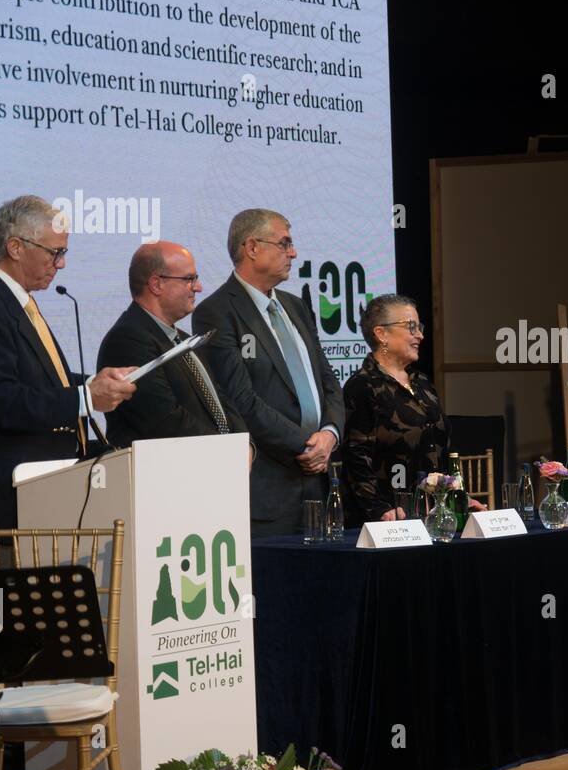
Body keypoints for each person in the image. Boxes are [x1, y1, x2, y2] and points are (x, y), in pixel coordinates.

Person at [0, 195, 136, 549]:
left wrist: (93, 383)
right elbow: (1, 401)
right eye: (54, 252)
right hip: (4, 507)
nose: (60, 264)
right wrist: (84, 398)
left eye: (63, 253)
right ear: (15, 247)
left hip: (39, 500)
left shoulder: (17, 300)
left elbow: (40, 381)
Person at [192, 209, 345, 537]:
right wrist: (307, 444)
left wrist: (330, 433)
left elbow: (327, 380)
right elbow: (241, 400)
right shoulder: (216, 313)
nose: (294, 253)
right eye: (285, 243)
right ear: (252, 247)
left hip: (318, 482)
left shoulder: (296, 306)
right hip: (268, 487)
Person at [342, 294, 485, 524]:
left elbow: (441, 453)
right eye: (411, 327)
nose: (420, 335)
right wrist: (380, 509)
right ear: (381, 334)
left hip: (434, 516)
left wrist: (459, 498)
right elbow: (356, 458)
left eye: (419, 327)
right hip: (389, 522)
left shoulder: (422, 383)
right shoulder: (362, 386)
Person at [97, 242, 247, 449]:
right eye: (189, 279)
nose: (198, 287)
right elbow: (164, 420)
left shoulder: (183, 339)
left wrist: (243, 444)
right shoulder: (128, 339)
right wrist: (225, 448)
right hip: (166, 474)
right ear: (156, 284)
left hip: (211, 465)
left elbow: (220, 398)